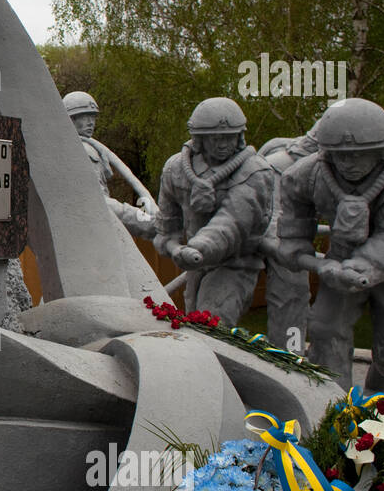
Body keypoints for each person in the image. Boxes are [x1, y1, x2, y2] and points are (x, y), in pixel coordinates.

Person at [273, 98, 384, 392]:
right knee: (325, 329)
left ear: (381, 151)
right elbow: (294, 205)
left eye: (358, 155)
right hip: (340, 261)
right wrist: (297, 246)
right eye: (339, 155)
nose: (347, 164)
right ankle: (335, 410)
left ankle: (378, 403)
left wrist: (358, 268)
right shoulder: (310, 172)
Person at [153, 96, 275, 326]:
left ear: (239, 136)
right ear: (199, 139)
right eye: (215, 138)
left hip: (236, 264)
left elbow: (231, 224)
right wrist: (175, 248)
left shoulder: (255, 172)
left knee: (211, 322)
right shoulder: (176, 169)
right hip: (195, 265)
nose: (222, 144)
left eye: (229, 137)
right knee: (194, 326)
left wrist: (198, 249)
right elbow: (166, 228)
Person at [62, 90, 158, 238]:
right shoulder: (79, 150)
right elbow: (97, 202)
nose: (91, 122)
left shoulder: (89, 148)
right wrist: (144, 221)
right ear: (70, 120)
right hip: (87, 228)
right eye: (85, 117)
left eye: (92, 117)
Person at [258, 127, 320, 350]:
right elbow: (273, 225)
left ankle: (291, 355)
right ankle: (288, 356)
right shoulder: (282, 166)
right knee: (292, 286)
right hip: (255, 232)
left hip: (282, 228)